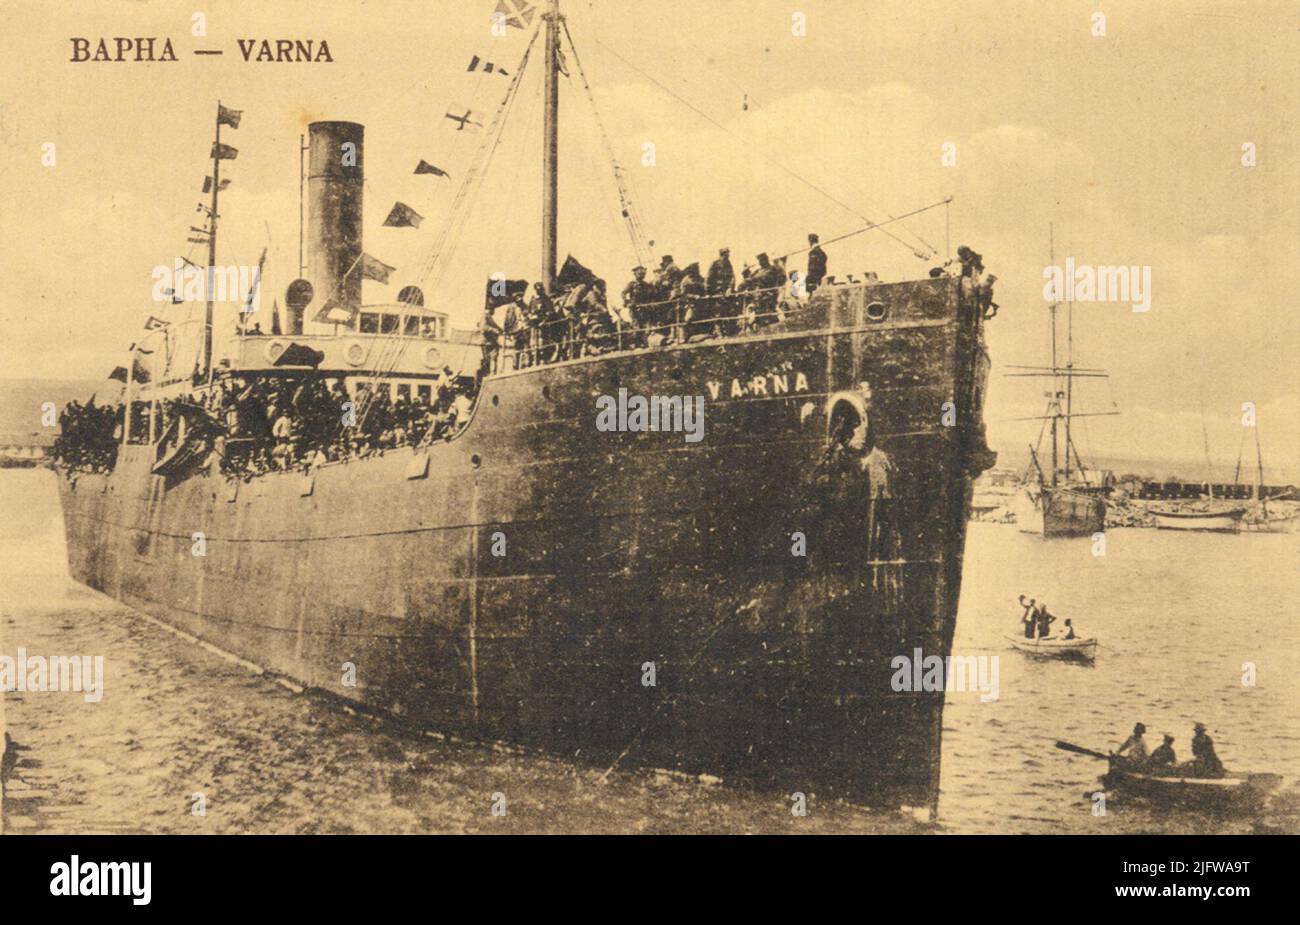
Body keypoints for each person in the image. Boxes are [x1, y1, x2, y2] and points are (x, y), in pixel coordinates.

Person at [478, 303, 502, 378]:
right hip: (486, 342)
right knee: (487, 360)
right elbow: (484, 327)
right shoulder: (485, 316)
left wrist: (500, 330)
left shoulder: (489, 317)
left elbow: (495, 326)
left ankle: (492, 373)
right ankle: (488, 374)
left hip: (491, 342)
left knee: (493, 358)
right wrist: (495, 330)